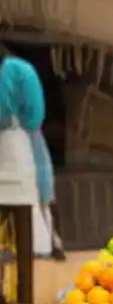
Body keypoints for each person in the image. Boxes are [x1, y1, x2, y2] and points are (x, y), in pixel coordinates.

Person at [0, 43, 62, 260]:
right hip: (20, 152)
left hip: (20, 148)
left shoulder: (15, 71)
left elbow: (33, 115)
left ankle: (50, 243)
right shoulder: (20, 71)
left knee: (35, 202)